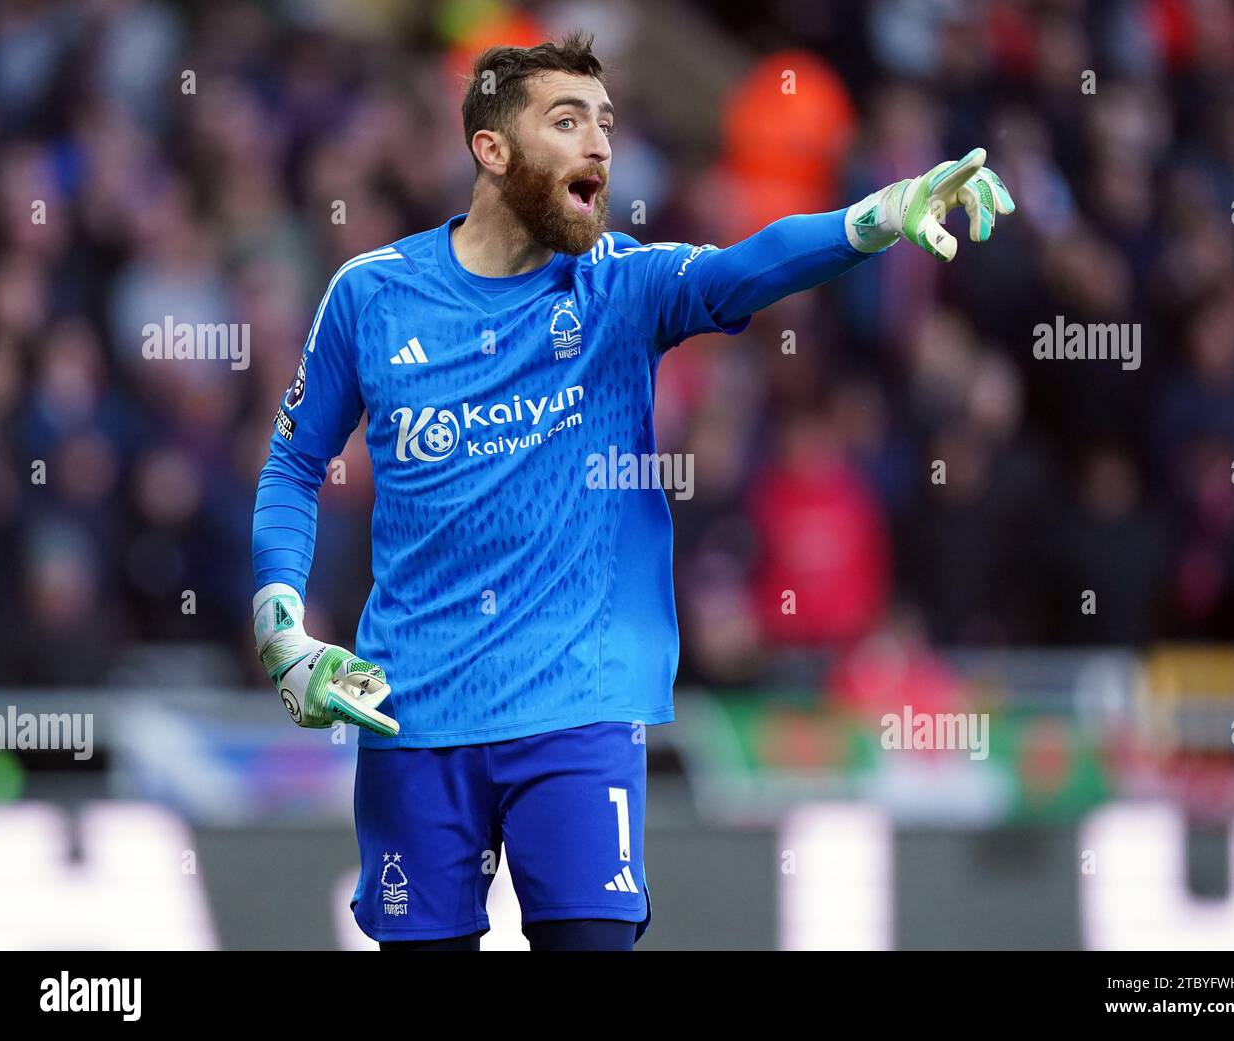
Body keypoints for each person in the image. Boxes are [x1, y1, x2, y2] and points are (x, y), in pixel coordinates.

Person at [250, 30, 1014, 951]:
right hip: (412, 708)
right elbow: (294, 464)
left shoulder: (621, 288)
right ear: (491, 149)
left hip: (578, 707)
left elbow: (743, 267)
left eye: (605, 124)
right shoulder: (371, 297)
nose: (600, 146)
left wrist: (872, 219)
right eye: (566, 122)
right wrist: (284, 633)